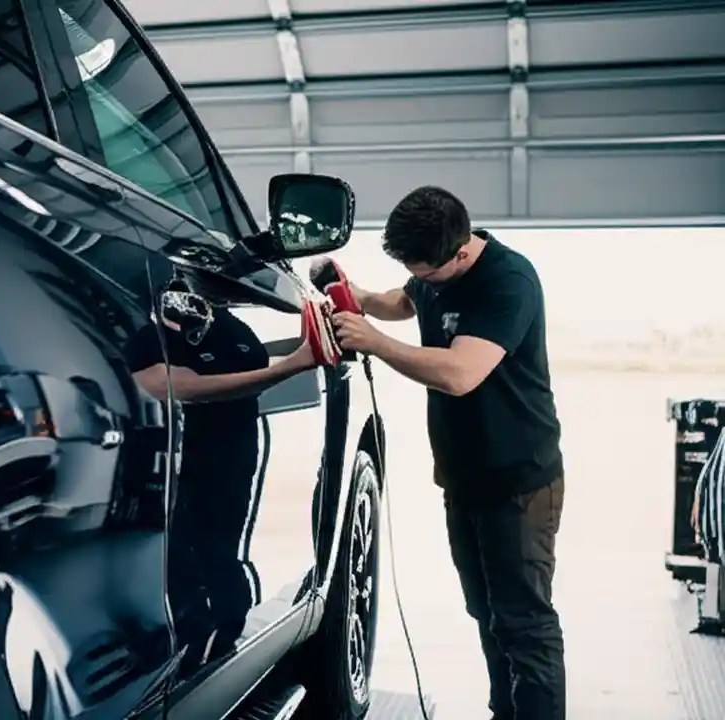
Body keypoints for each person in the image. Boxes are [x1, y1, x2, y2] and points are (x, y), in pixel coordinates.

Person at [327, 186, 566, 720]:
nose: (424, 280)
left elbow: (460, 374)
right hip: (463, 479)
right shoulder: (434, 266)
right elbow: (404, 299)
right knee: (486, 613)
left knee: (524, 623)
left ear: (461, 252)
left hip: (519, 482)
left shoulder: (508, 282)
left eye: (430, 271)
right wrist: (356, 295)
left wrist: (373, 342)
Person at [124, 275, 323, 668]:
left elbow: (237, 372)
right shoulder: (147, 335)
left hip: (233, 451)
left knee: (221, 550)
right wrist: (294, 364)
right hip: (182, 457)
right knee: (190, 554)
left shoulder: (228, 326)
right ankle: (198, 644)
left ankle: (222, 638)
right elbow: (177, 387)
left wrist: (295, 360)